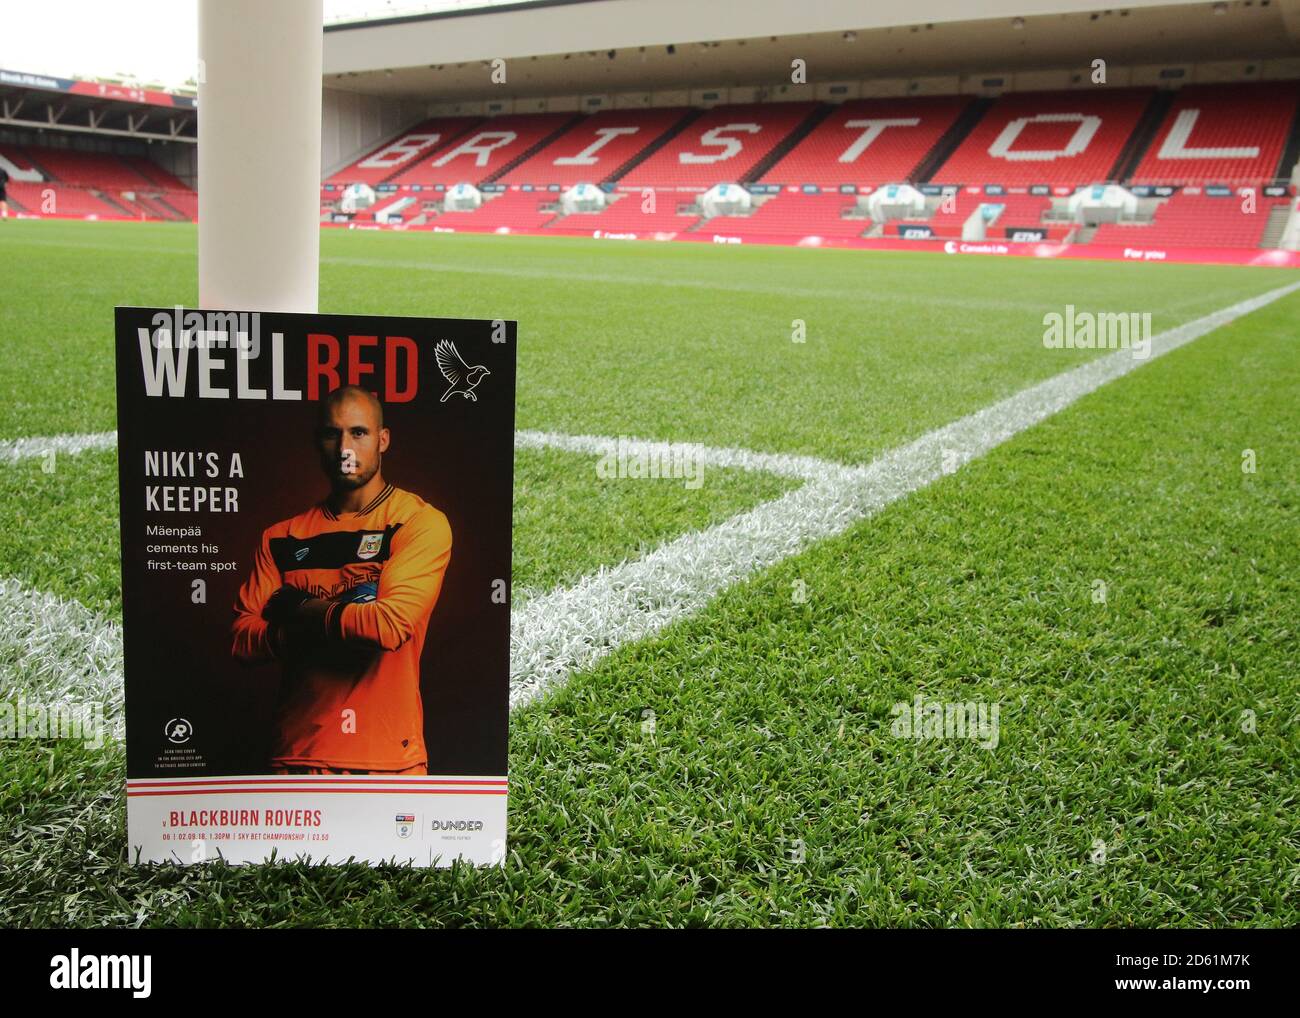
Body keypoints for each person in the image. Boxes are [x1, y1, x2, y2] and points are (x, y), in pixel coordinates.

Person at [231, 384, 453, 776]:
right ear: (318, 442)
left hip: (389, 760)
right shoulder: (282, 537)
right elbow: (242, 638)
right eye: (332, 434)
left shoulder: (418, 522)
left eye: (359, 432)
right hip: (296, 756)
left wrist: (300, 608)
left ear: (383, 440)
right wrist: (340, 619)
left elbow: (388, 625)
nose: (345, 447)